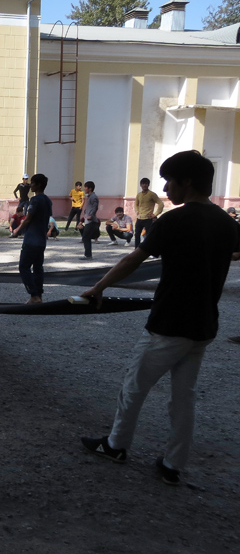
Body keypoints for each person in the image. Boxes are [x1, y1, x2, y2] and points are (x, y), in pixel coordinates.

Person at [80, 151, 240, 486]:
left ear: (188, 182)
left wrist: (98, 287)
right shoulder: (227, 223)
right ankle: (172, 464)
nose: (166, 187)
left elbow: (133, 260)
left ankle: (116, 445)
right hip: (203, 326)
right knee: (184, 396)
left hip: (170, 323)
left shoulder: (173, 220)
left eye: (170, 180)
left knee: (134, 386)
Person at [12, 174, 52, 304]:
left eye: (33, 183)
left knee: (24, 267)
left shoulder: (35, 200)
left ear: (38, 185)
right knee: (38, 267)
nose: (30, 185)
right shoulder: (47, 200)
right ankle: (39, 296)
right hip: (41, 239)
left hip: (31, 239)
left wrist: (17, 231)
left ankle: (34, 295)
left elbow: (28, 218)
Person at [134, 177, 164, 249]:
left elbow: (161, 204)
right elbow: (136, 204)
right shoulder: (139, 195)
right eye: (143, 184)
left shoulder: (152, 194)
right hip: (140, 218)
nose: (144, 185)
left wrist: (155, 214)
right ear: (140, 185)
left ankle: (149, 250)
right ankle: (136, 249)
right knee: (137, 234)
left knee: (148, 235)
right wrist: (137, 211)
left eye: (146, 184)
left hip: (148, 218)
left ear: (148, 185)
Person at [78, 181, 100, 260]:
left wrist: (91, 215)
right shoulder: (90, 196)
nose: (84, 189)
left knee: (86, 237)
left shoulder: (93, 197)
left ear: (90, 188)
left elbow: (95, 207)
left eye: (85, 187)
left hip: (91, 220)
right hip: (88, 220)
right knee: (86, 237)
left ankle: (88, 255)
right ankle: (88, 254)